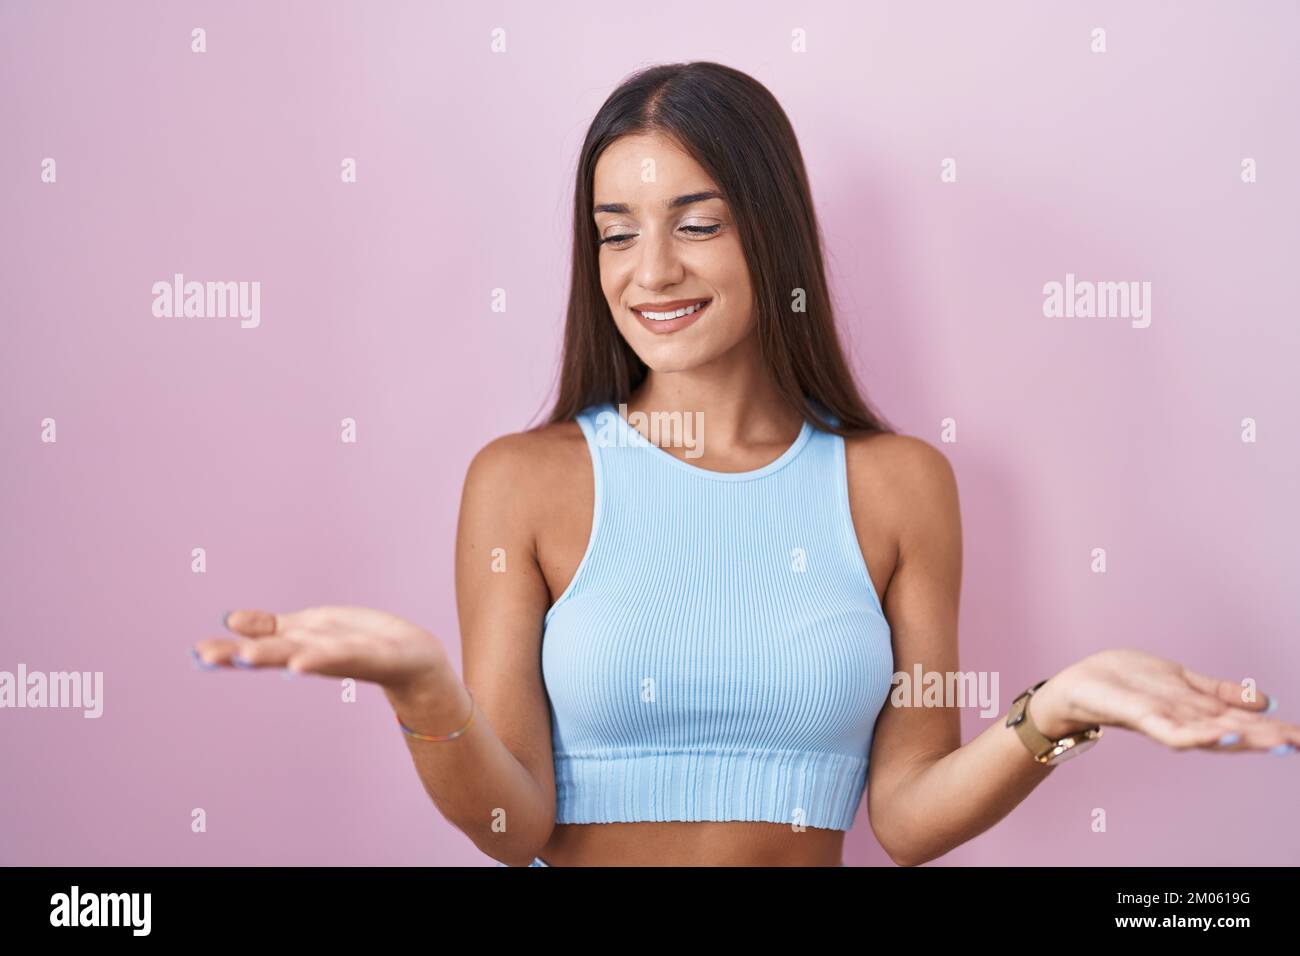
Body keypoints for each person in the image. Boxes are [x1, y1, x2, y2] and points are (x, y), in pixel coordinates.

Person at [191, 62, 1297, 868]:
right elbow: (510, 825)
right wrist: (421, 687)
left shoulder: (899, 484)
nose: (651, 269)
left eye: (697, 222)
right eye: (614, 231)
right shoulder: (523, 481)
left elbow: (906, 815)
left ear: (770, 233)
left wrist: (1053, 711)